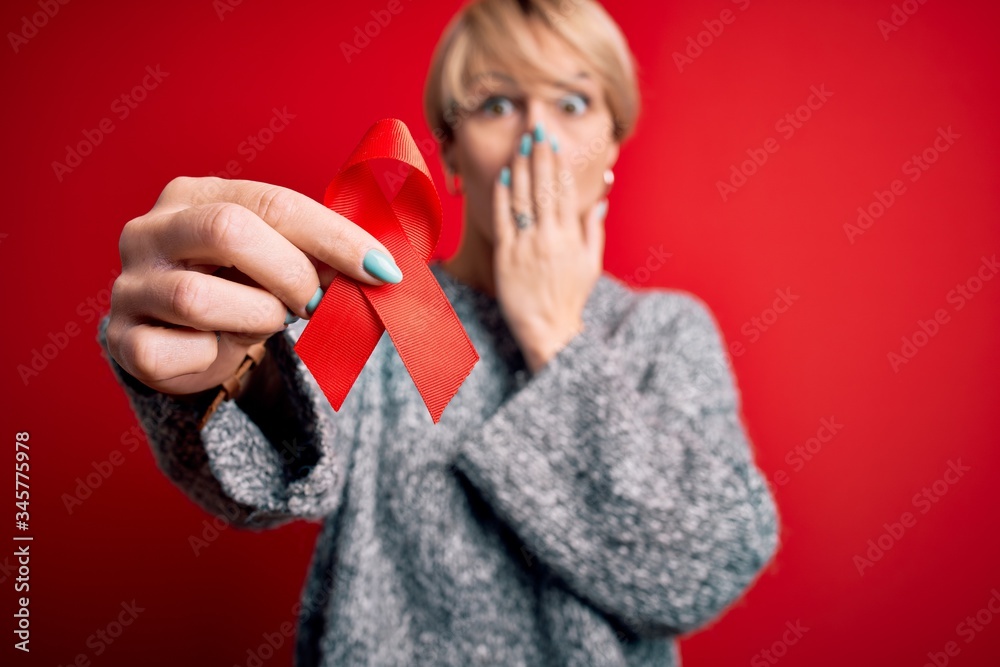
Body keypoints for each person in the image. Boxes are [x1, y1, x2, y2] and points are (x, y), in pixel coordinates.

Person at [98, 0, 779, 664]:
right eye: (496, 104)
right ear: (450, 155)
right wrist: (222, 370)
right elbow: (269, 475)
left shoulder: (665, 330)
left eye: (572, 104)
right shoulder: (389, 306)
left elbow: (702, 567)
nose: (534, 137)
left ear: (611, 147)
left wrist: (552, 331)